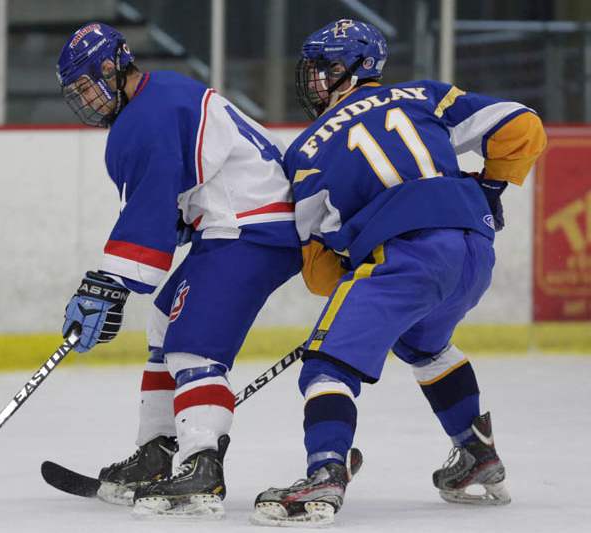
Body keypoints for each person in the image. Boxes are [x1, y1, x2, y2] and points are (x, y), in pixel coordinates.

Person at [250, 19, 546, 527]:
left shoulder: (305, 151)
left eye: (325, 70)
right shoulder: (425, 94)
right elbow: (524, 128)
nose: (315, 81)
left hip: (406, 257)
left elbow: (322, 279)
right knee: (425, 346)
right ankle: (477, 456)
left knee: (326, 365)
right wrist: (492, 189)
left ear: (354, 70)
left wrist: (354, 263)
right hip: (474, 251)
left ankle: (325, 470)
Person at [56, 23, 301, 518]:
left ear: (112, 68)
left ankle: (201, 467)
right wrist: (116, 281)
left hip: (252, 227)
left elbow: (148, 212)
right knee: (164, 324)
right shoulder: (157, 98)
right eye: (76, 92)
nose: (85, 99)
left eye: (86, 85)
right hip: (237, 226)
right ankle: (157, 453)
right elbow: (169, 210)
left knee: (193, 342)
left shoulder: (145, 116)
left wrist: (110, 282)